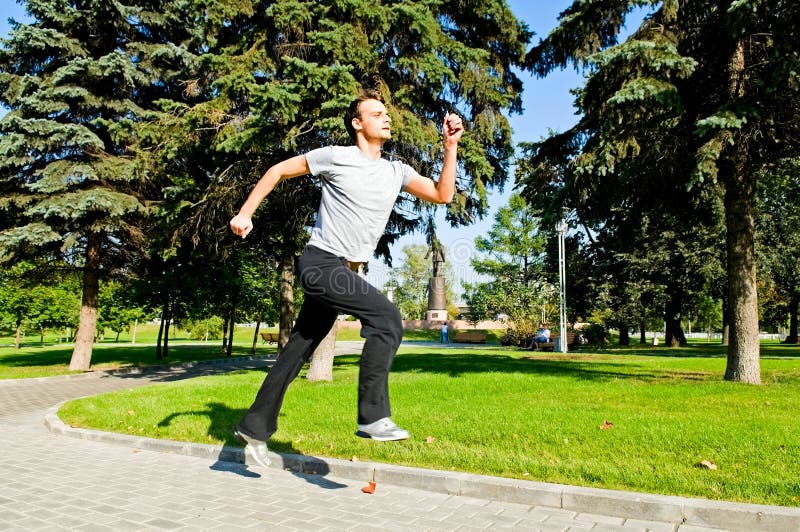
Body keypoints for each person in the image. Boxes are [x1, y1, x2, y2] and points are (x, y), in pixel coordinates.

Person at [229, 89, 464, 467]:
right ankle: (373, 416)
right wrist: (246, 213)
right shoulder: (336, 157)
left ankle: (253, 427)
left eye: (387, 113)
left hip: (342, 271)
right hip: (321, 265)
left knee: (296, 353)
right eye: (376, 113)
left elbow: (441, 194)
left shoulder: (396, 171)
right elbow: (277, 171)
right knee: (386, 318)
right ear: (357, 123)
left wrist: (449, 147)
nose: (386, 118)